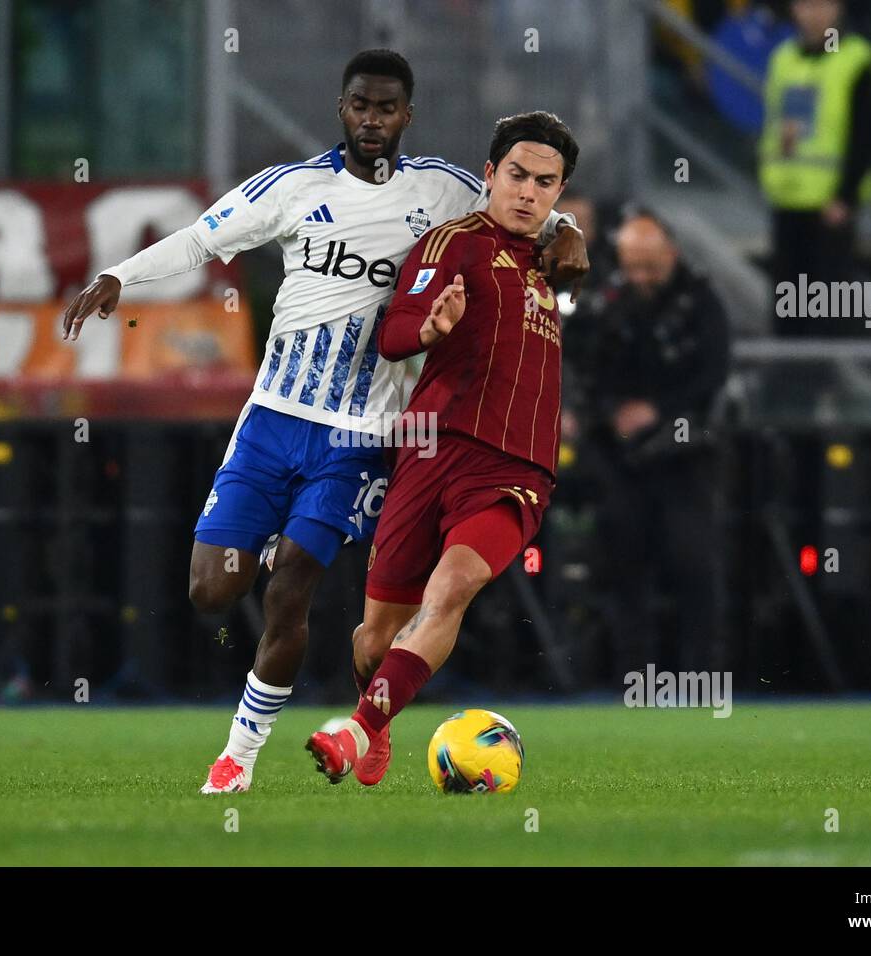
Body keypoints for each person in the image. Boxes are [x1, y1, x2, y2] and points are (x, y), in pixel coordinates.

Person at [60, 51, 588, 794]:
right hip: (273, 416)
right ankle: (286, 569)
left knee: (293, 590)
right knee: (214, 591)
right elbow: (202, 237)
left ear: (408, 115)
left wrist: (566, 228)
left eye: (387, 109)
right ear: (343, 108)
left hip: (363, 434)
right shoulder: (293, 188)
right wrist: (121, 275)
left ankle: (236, 760)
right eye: (360, 106)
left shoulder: (441, 188)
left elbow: (523, 195)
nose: (372, 121)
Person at [305, 111, 578, 785]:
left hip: (514, 466)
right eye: (516, 175)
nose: (528, 193)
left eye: (546, 183)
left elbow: (570, 254)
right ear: (489, 175)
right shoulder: (452, 242)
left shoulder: (555, 255)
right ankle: (380, 715)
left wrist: (570, 233)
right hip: (429, 451)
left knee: (452, 587)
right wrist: (430, 327)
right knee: (373, 638)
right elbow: (394, 334)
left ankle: (355, 730)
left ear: (558, 192)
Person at [568, 211, 730, 677]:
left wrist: (658, 409)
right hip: (618, 456)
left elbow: (712, 375)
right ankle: (633, 678)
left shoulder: (701, 302)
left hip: (684, 454)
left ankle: (702, 673)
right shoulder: (605, 300)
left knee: (693, 562)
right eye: (632, 267)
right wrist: (585, 411)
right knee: (623, 563)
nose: (640, 277)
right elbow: (579, 363)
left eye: (650, 268)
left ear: (671, 256)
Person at [759, 0, 871, 336]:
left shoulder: (855, 59)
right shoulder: (783, 57)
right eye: (805, 5)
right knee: (787, 300)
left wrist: (845, 195)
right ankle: (787, 381)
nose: (813, 14)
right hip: (786, 196)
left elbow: (866, 134)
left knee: (828, 301)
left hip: (830, 205)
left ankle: (827, 383)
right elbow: (774, 122)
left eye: (821, 5)